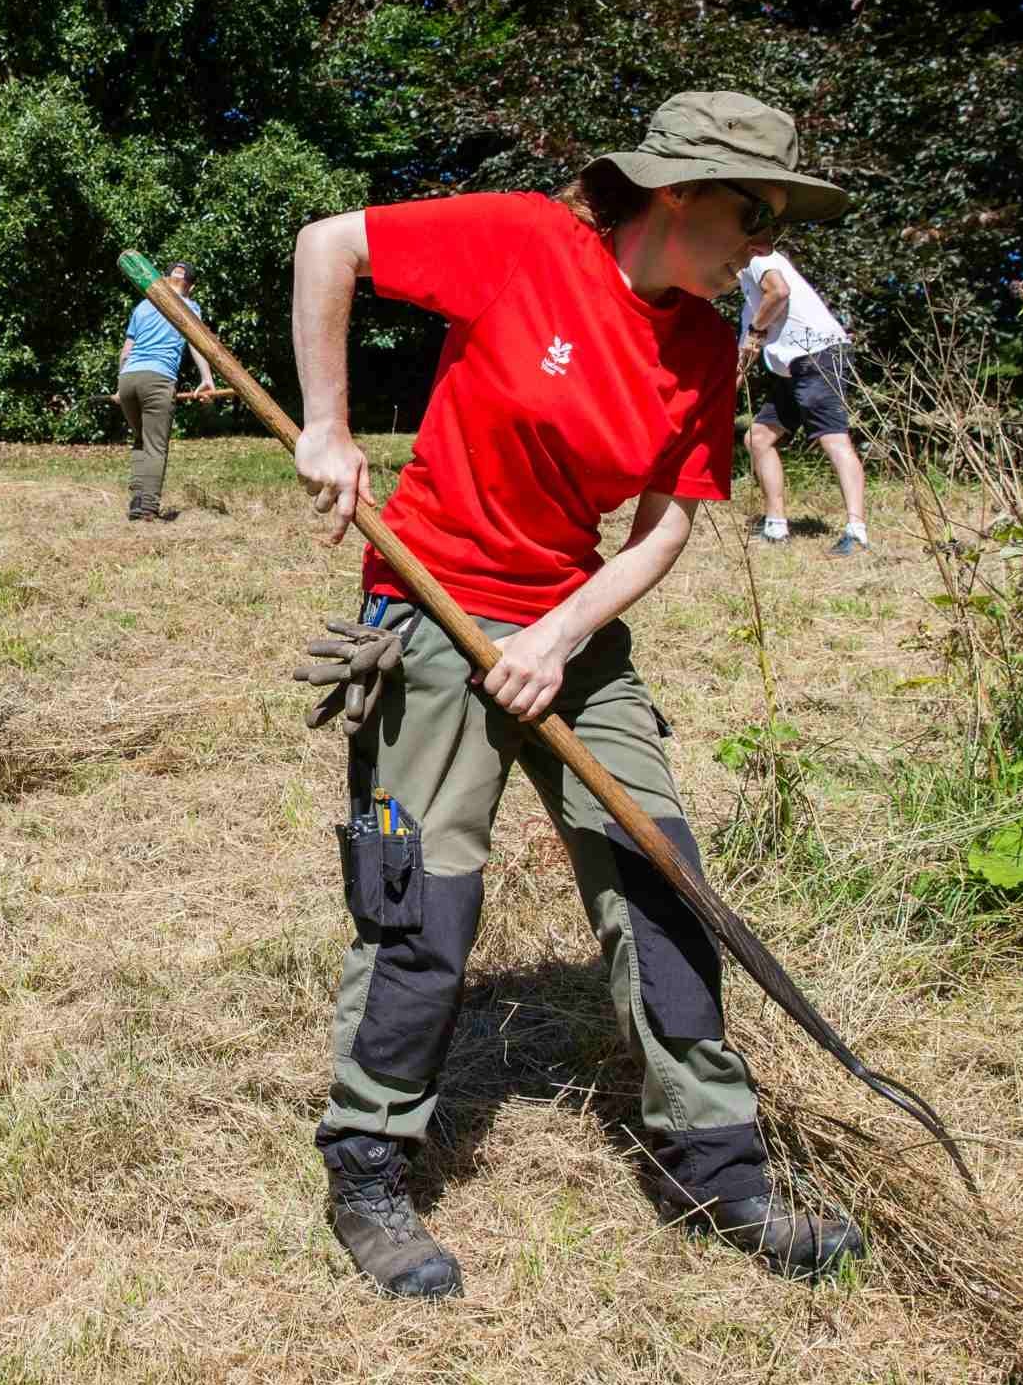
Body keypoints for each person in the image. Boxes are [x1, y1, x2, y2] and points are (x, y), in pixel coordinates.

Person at [285, 92, 864, 1299]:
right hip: (431, 599)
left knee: (661, 867)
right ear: (678, 191)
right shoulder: (524, 242)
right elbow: (328, 242)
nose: (760, 242)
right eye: (749, 212)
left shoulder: (705, 345)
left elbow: (663, 531)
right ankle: (370, 1156)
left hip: (568, 621)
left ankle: (719, 1166)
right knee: (422, 896)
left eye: (773, 219)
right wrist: (330, 428)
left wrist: (559, 632)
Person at [739, 247, 868, 555]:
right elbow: (745, 351)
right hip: (791, 366)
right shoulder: (747, 292)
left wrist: (757, 331)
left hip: (817, 353)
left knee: (833, 439)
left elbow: (779, 292)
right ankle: (776, 524)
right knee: (757, 437)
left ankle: (857, 531)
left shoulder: (759, 258)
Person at [113, 260, 217, 522]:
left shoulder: (144, 305)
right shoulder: (189, 307)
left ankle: (138, 500)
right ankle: (148, 508)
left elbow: (126, 351)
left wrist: (119, 387)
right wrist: (206, 378)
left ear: (164, 279)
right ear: (190, 287)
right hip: (158, 379)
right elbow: (197, 344)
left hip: (129, 378)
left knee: (141, 440)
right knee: (156, 446)